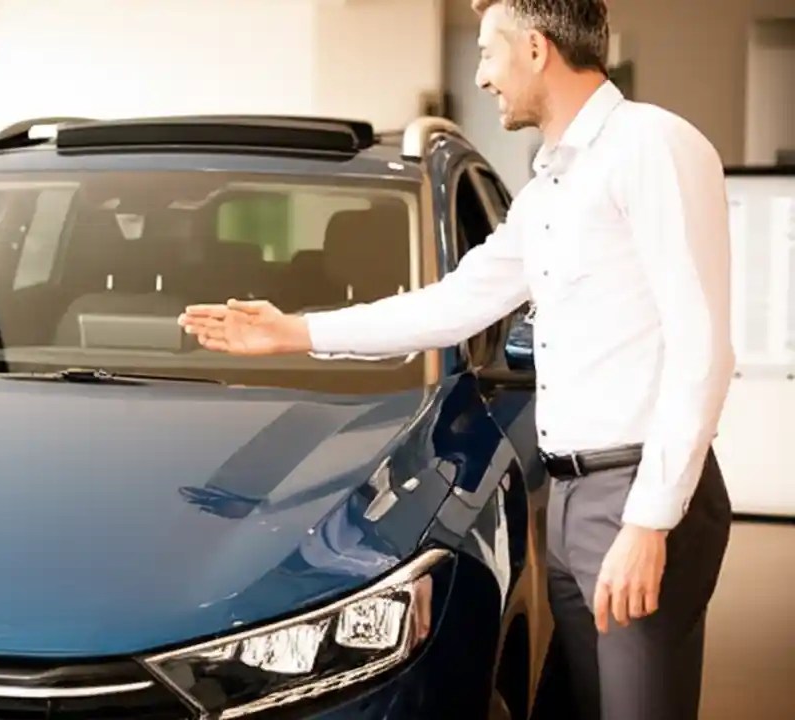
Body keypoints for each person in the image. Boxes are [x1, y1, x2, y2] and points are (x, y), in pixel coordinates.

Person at [178, 1, 735, 718]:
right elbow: (454, 303)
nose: (480, 76)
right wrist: (295, 332)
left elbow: (702, 345)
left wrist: (651, 520)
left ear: (535, 49)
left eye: (487, 53)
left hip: (634, 491)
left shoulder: (652, 146)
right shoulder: (550, 190)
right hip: (570, 498)